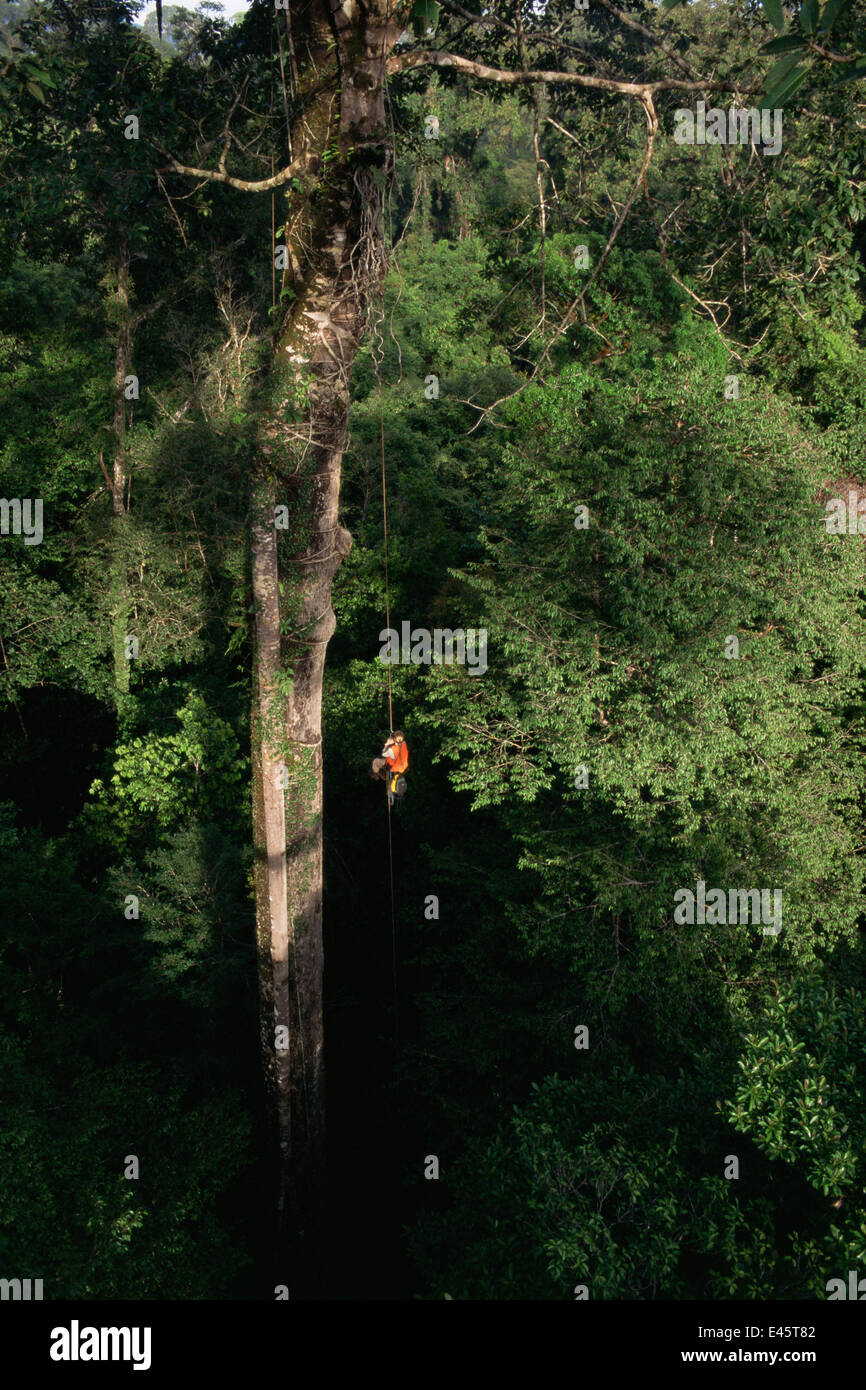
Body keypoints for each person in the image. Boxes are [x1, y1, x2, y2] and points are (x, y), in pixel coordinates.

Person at [370, 730, 409, 805]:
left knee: (376, 761)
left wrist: (387, 744)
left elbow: (384, 753)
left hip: (393, 766)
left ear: (395, 740)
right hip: (402, 768)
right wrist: (392, 736)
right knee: (388, 762)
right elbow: (398, 741)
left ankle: (377, 775)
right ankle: (384, 777)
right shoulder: (404, 744)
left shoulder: (392, 750)